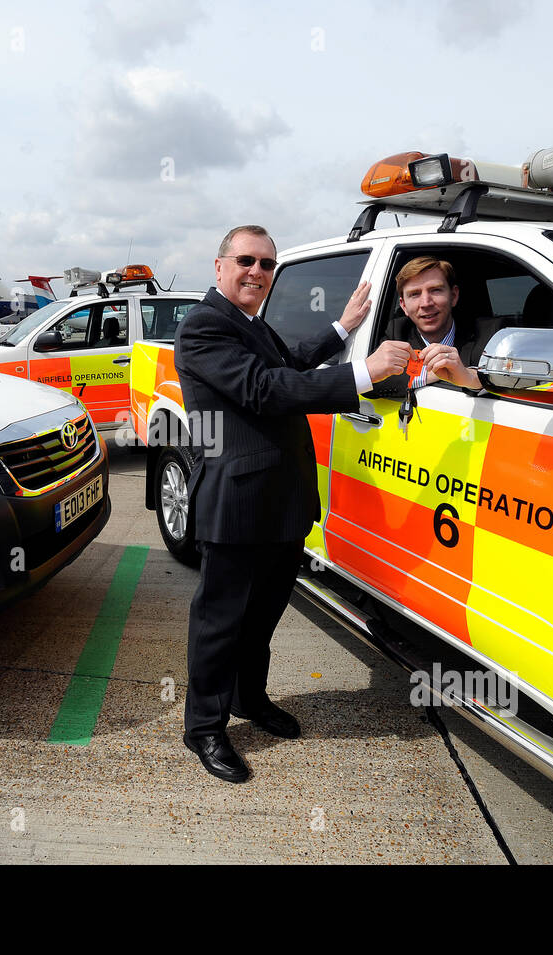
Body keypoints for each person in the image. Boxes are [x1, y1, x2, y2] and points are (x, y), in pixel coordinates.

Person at [174, 225, 404, 783]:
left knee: (263, 616)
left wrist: (342, 327)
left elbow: (290, 362)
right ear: (220, 266)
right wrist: (363, 373)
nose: (257, 272)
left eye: (267, 264)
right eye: (247, 261)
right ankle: (204, 727)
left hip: (281, 500)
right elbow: (264, 390)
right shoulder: (205, 326)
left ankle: (249, 699)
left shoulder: (250, 324)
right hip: (237, 503)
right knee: (220, 622)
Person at [371, 256, 505, 398]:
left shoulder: (490, 332)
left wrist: (470, 378)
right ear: (403, 305)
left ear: (453, 296)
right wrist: (428, 375)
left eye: (435, 290)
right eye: (415, 294)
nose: (426, 303)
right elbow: (369, 381)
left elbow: (505, 381)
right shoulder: (397, 331)